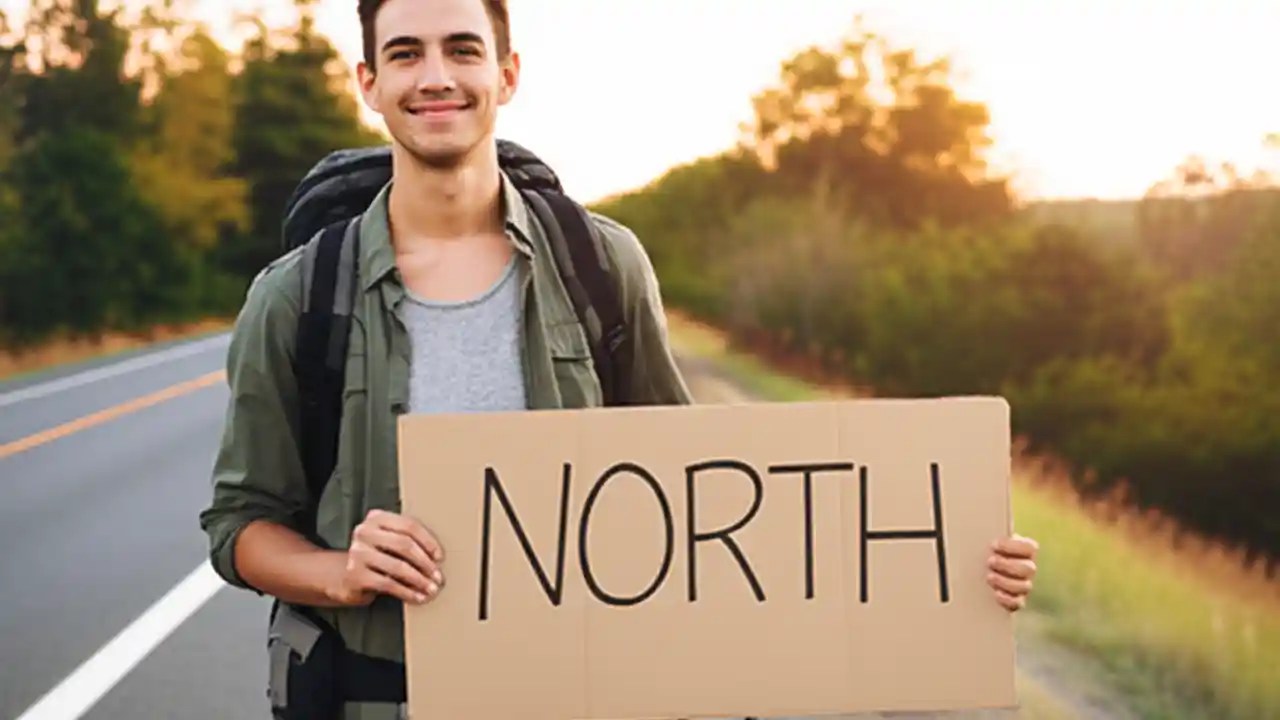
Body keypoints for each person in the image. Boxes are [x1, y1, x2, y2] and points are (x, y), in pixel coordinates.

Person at [198, 0, 1040, 718]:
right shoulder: (298, 297)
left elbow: (704, 516)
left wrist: (950, 565)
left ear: (509, 73)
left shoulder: (602, 268)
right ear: (369, 83)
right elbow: (241, 528)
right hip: (381, 697)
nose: (436, 77)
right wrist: (339, 570)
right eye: (406, 53)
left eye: (463, 49)